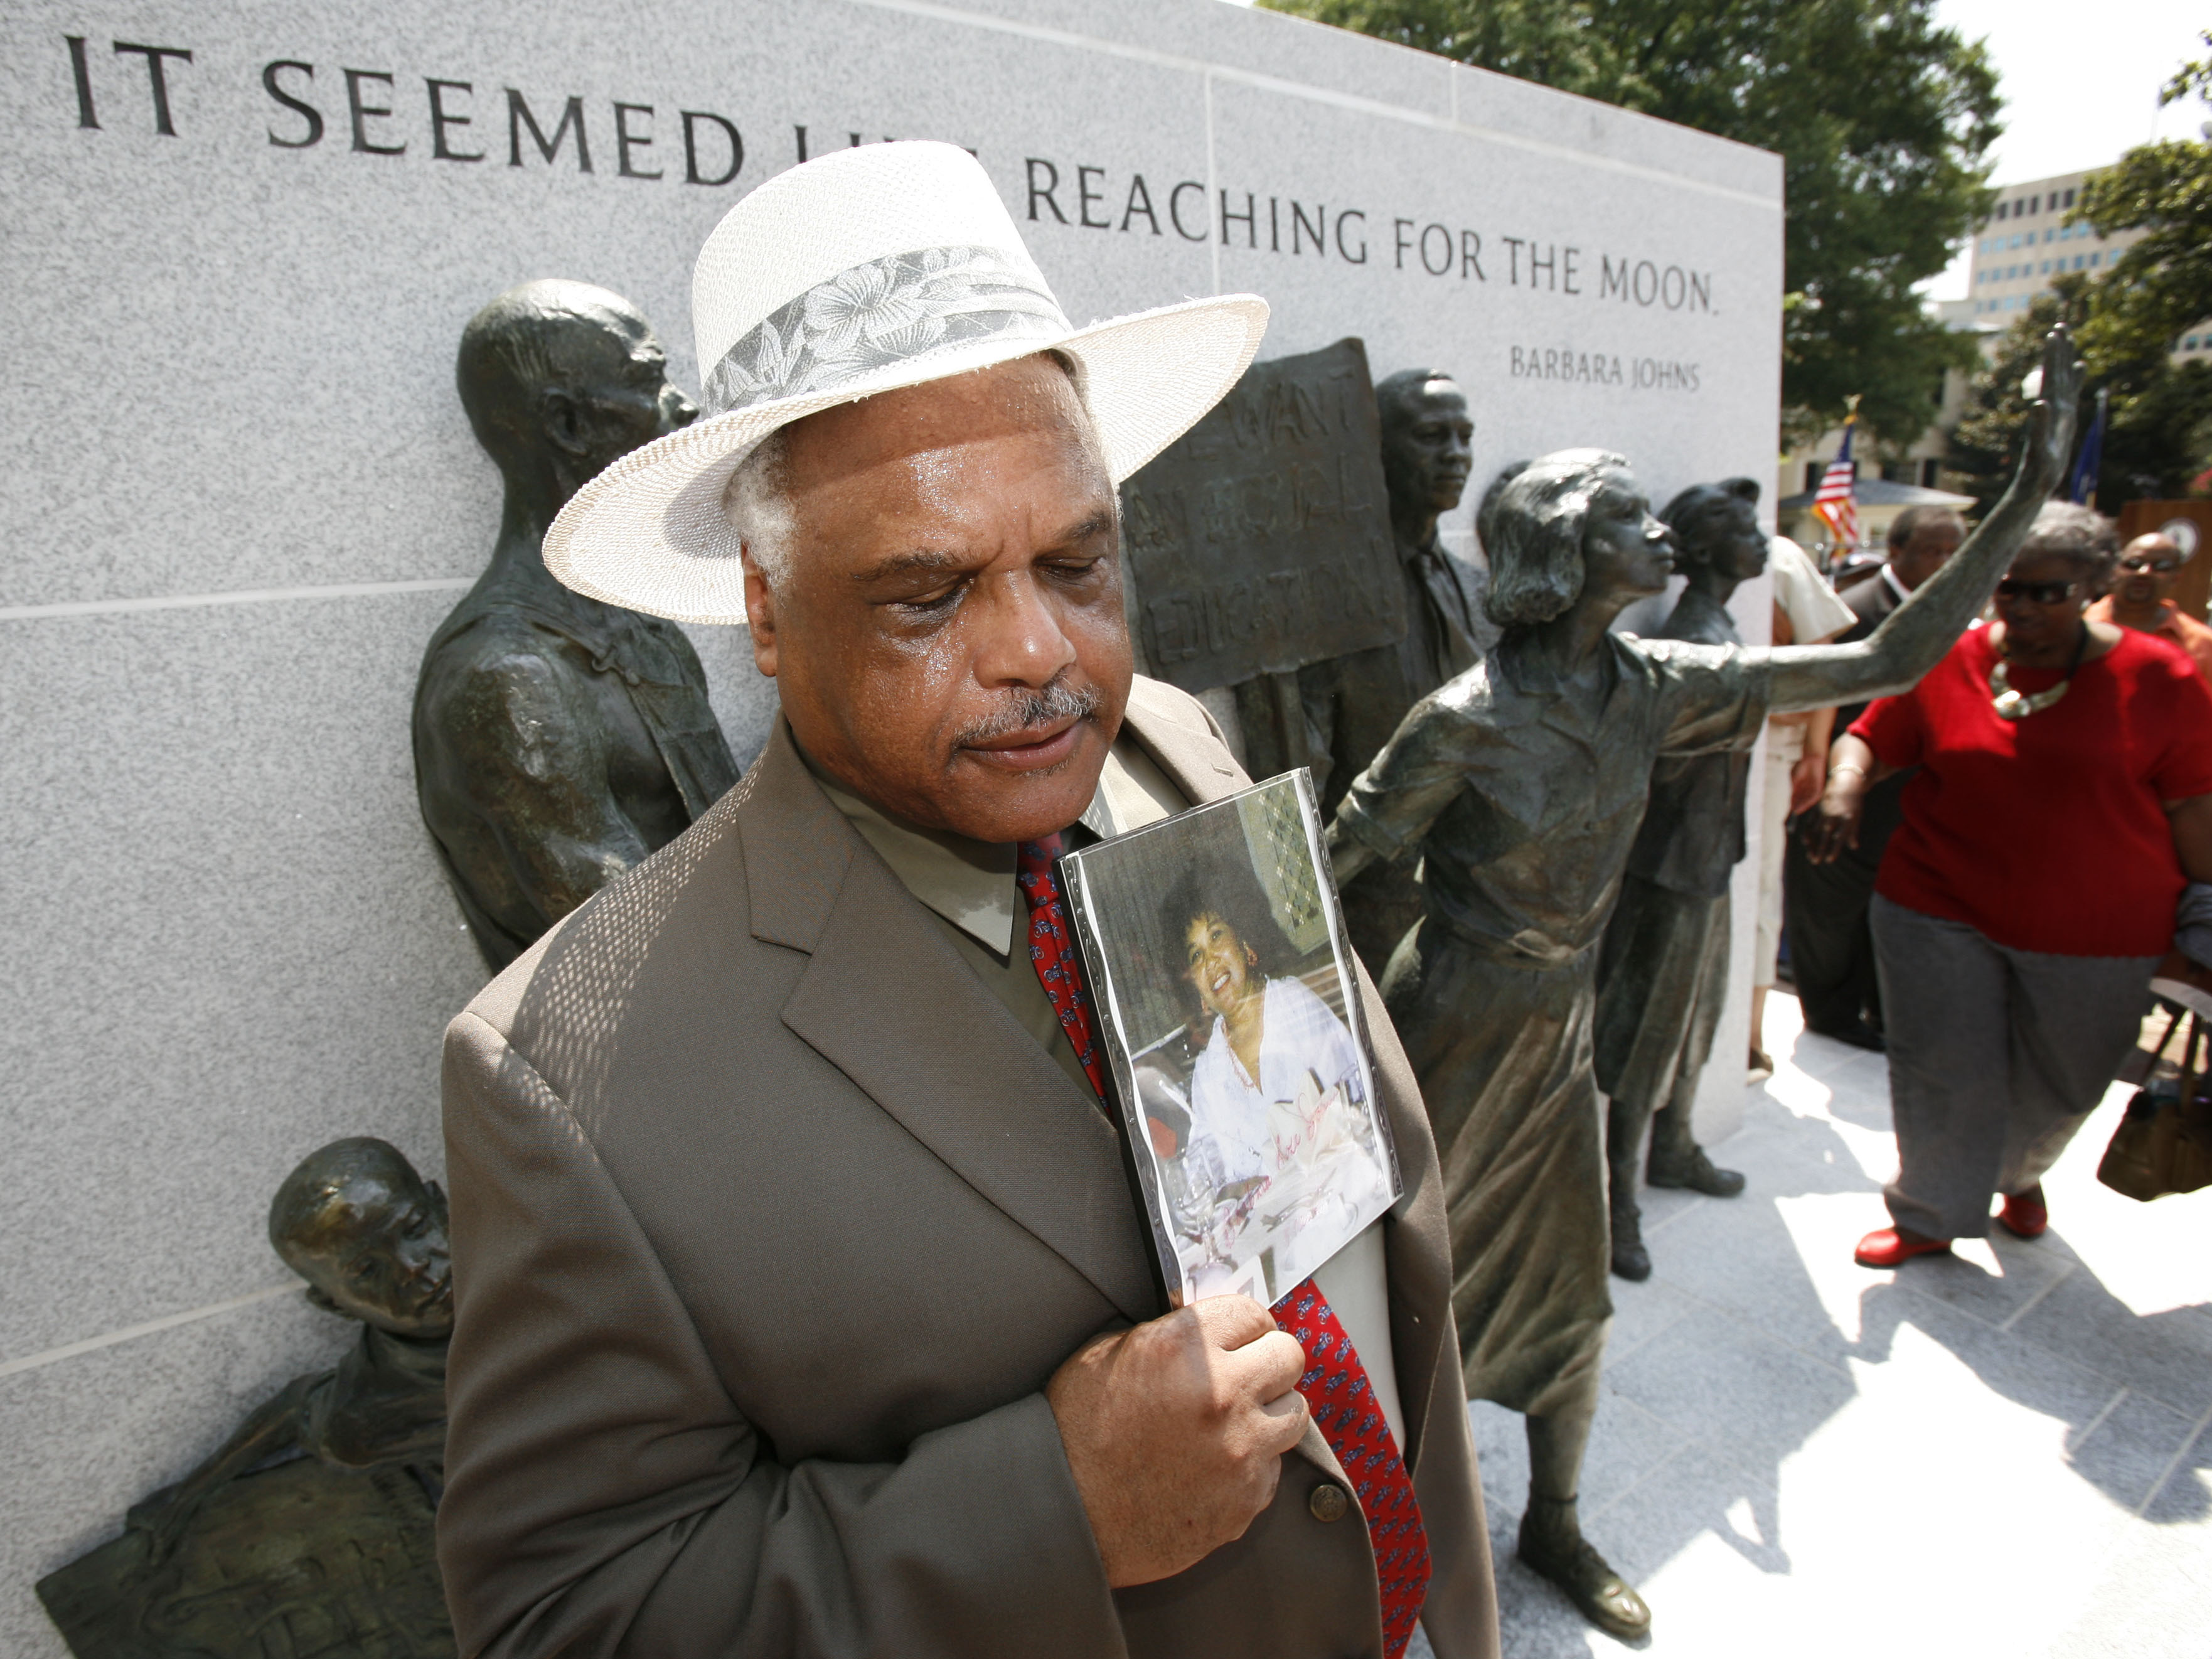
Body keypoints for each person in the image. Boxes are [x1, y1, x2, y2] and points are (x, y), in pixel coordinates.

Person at [437, 142, 1497, 1659]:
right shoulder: (562, 1076)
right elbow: (566, 1619)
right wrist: (1049, 1506)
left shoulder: (1175, 745)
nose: (1036, 651)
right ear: (762, 608)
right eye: (926, 594)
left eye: (1076, 559)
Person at [1325, 333, 2076, 1640]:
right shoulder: (1463, 715)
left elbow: (1879, 665)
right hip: (1447, 1021)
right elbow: (1334, 860)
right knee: (1405, 1297)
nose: (1656, 531)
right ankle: (1383, 1546)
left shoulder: (1654, 686)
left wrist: (2017, 499)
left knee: (1569, 1301)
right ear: (1561, 546)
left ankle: (1552, 1520)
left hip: (1554, 1037)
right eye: (1625, 513)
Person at [1805, 503, 2212, 1267]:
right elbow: (1875, 736)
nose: (2020, 605)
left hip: (2101, 930)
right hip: (1936, 905)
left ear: (2092, 586)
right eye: (2007, 587)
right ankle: (1930, 1209)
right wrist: (1845, 787)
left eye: (2045, 592)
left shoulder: (2163, 678)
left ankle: (2017, 1173)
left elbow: (2194, 802)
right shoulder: (1954, 656)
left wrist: (2208, 911)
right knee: (1938, 1067)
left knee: (2064, 1083)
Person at [414, 281, 740, 972]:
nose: (682, 406)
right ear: (568, 425)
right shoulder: (507, 679)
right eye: (648, 379)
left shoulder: (638, 628)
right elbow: (637, 955)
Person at [1593, 478, 1765, 1284]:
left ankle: (1679, 1143)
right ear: (1699, 549)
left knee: (1702, 1015)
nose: (1760, 537)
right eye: (1742, 527)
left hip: (1710, 858)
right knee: (1646, 1034)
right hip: (1668, 870)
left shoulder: (1720, 624)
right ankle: (1620, 1198)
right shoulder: (1693, 640)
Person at [126, 1139, 451, 1559]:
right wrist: (184, 1498)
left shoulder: (545, 1261)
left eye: (414, 1228)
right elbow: (296, 1409)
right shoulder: (367, 1419)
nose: (414, 1268)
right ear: (333, 1304)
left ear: (440, 1203)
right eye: (368, 1270)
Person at [1299, 370, 1490, 975]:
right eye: (1433, 436)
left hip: (1468, 901)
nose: (1456, 456)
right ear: (1375, 448)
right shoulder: (1330, 598)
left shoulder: (1476, 587)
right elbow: (1302, 760)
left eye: (1464, 437)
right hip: (1366, 904)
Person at [1783, 505, 1967, 1048]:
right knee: (1829, 910)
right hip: (1850, 787)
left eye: (1954, 551)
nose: (1945, 562)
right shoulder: (1854, 613)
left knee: (1892, 911)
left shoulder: (1955, 617)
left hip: (1916, 800)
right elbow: (1828, 703)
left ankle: (1883, 1010)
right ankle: (1830, 1015)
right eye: (1933, 550)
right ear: (1895, 551)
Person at [1161, 861, 1391, 1296]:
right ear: (1194, 983)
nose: (1210, 959)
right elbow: (1210, 1177)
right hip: (1275, 1260)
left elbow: (1364, 1117)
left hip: (1349, 1226)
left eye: (1215, 935)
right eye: (1195, 954)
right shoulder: (1209, 1072)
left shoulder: (1295, 1007)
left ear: (1245, 943)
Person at [1750, 534, 1856, 1075]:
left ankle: (1749, 1028)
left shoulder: (1779, 554)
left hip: (1770, 747)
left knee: (1761, 888)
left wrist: (1815, 749)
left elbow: (1825, 656)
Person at [2089, 530, 2212, 682]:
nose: (2144, 572)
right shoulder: (2078, 625)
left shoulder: (2203, 643)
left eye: (2161, 566)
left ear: (2176, 578)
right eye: (2133, 563)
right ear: (2115, 570)